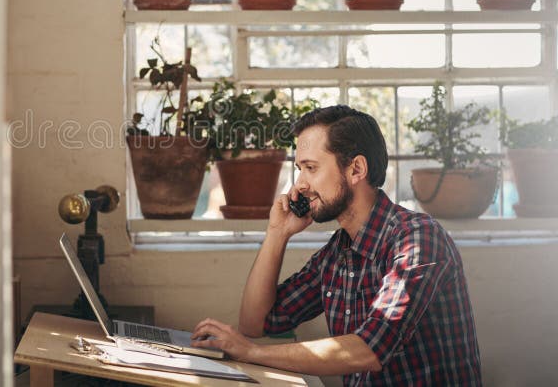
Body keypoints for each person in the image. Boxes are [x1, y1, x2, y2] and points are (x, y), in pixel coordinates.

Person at [192, 105, 481, 385]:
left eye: (311, 168)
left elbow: (369, 348)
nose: (300, 184)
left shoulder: (419, 238)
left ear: (356, 169)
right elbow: (255, 323)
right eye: (299, 169)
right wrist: (277, 234)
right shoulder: (338, 251)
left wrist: (252, 353)